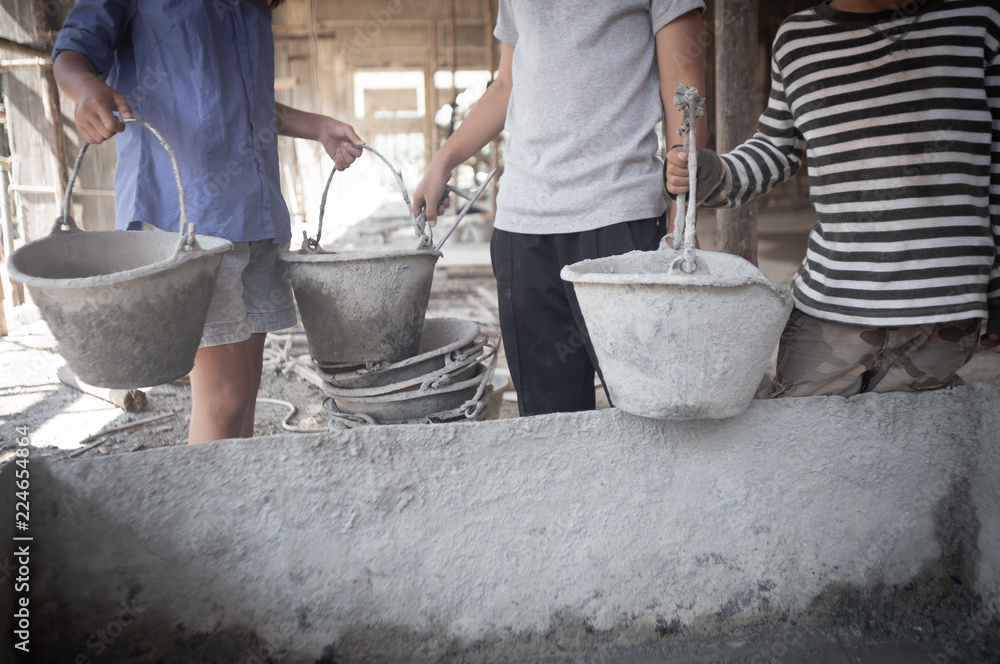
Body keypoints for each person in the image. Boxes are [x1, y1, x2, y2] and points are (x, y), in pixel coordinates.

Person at [52, 0, 364, 443]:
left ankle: (237, 488)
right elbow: (72, 52)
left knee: (245, 391)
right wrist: (86, 88)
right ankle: (205, 489)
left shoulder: (252, 6)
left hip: (256, 212)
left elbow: (242, 99)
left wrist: (315, 125)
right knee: (223, 397)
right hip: (190, 216)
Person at [665, 0, 1000, 398]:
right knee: (800, 422)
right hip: (835, 298)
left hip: (947, 308)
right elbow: (776, 147)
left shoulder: (977, 23)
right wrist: (714, 174)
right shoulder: (797, 41)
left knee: (922, 428)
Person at [413, 1, 707, 416]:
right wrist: (442, 161)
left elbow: (683, 81)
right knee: (549, 418)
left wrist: (682, 215)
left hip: (619, 216)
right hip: (522, 228)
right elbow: (506, 84)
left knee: (653, 407)